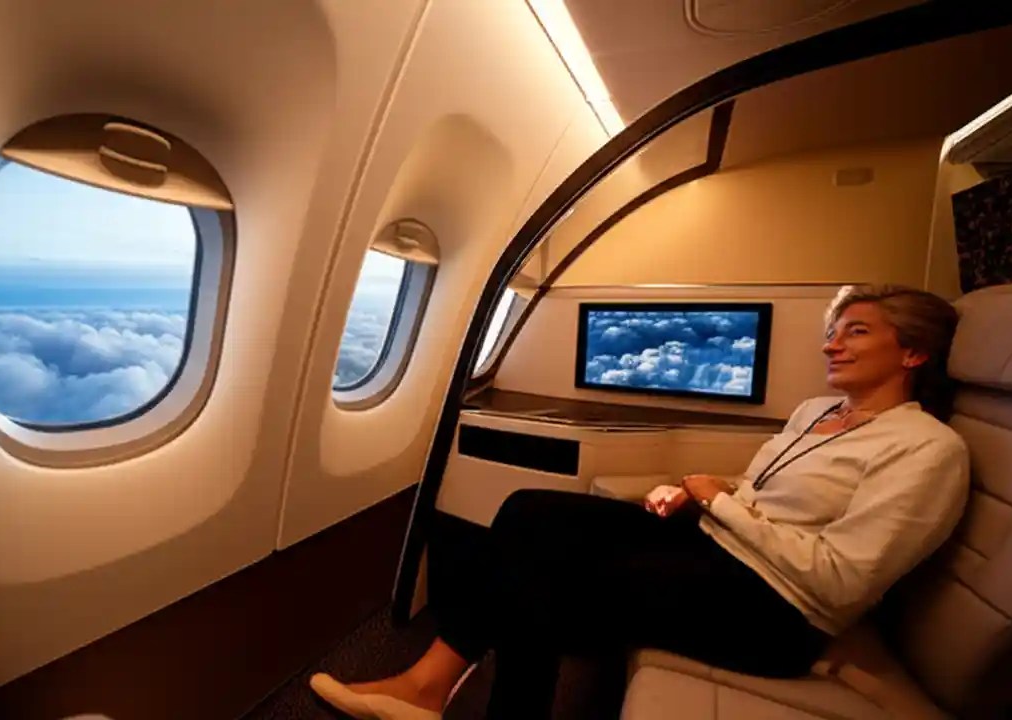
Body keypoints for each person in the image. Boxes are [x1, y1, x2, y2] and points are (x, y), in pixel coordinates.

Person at [310, 284, 970, 719]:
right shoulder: (818, 412)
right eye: (833, 331)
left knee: (546, 577)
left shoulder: (927, 450)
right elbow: (767, 495)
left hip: (774, 613)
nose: (830, 344)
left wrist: (722, 504)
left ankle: (451, 699)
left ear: (913, 352)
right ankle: (429, 684)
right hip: (720, 546)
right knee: (530, 512)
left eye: (856, 331)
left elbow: (843, 580)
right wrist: (698, 494)